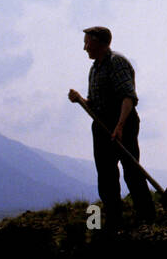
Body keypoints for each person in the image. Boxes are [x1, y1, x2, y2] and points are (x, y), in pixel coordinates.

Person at [67, 26, 157, 230]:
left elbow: (128, 97)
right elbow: (94, 103)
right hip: (101, 126)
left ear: (98, 42)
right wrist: (80, 99)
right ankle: (115, 221)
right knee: (106, 175)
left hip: (122, 123)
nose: (84, 48)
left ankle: (147, 216)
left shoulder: (117, 62)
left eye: (87, 42)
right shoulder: (95, 69)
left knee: (131, 170)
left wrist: (120, 126)